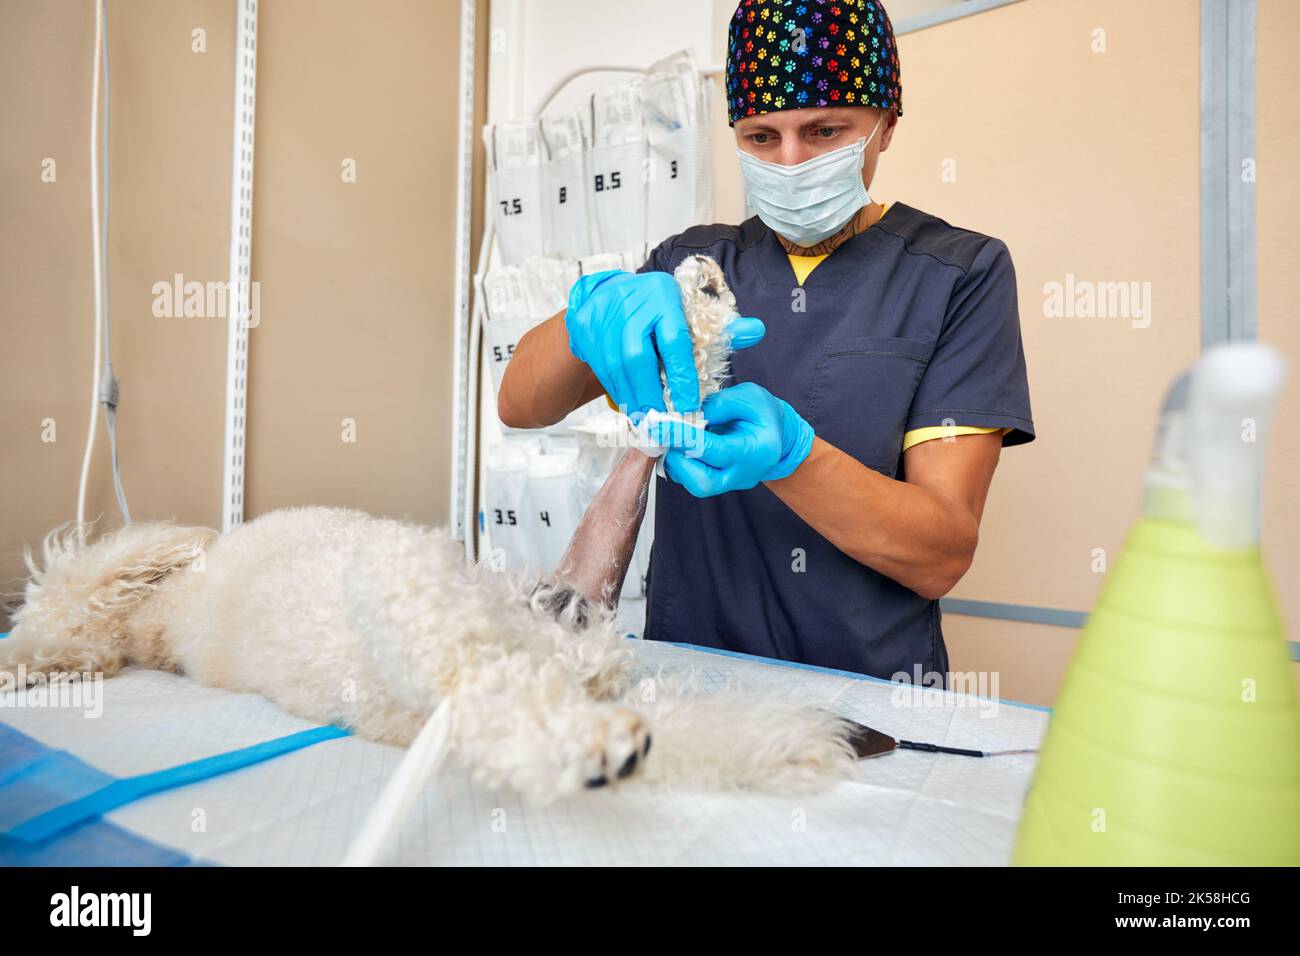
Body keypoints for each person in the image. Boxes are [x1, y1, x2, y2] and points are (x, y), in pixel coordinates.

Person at [499, 0, 1034, 685]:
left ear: (886, 125)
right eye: (760, 137)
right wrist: (590, 314)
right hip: (688, 679)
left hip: (869, 695)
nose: (791, 162)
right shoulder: (690, 265)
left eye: (824, 130)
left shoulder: (959, 274)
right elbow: (520, 404)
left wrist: (792, 457)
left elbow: (940, 553)